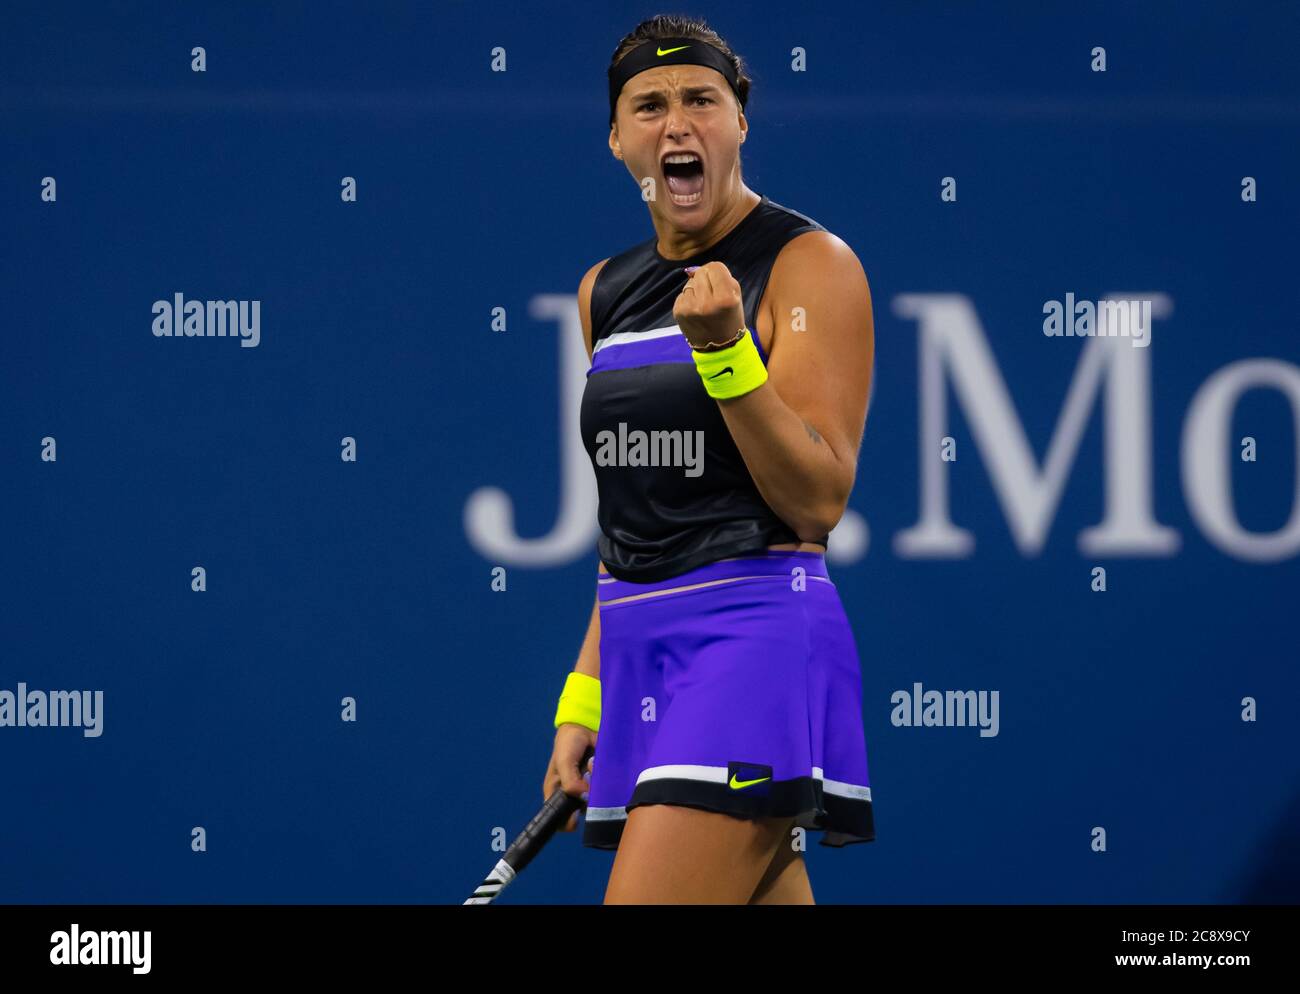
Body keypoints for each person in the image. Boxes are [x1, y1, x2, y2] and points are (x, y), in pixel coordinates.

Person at [542, 14, 876, 904]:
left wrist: (729, 355)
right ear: (617, 140)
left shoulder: (810, 265)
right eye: (648, 105)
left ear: (739, 124)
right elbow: (633, 522)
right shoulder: (602, 292)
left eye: (702, 99)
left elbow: (817, 498)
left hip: (753, 642)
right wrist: (587, 691)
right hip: (641, 648)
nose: (677, 123)